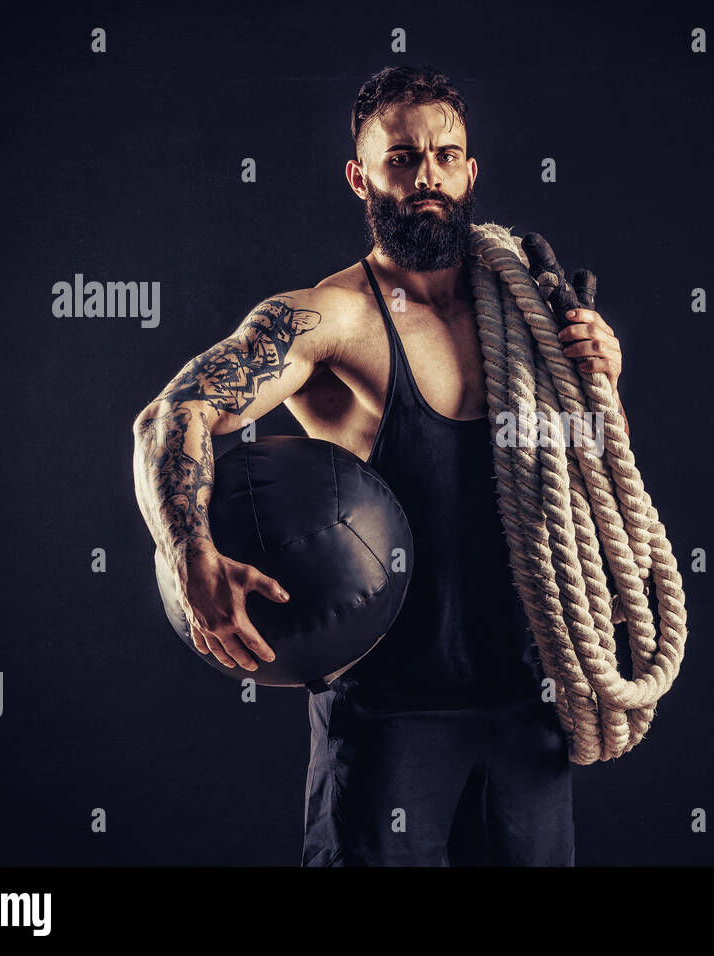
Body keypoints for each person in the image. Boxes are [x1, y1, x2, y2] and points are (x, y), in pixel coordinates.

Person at [131, 65, 630, 866]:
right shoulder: (335, 318)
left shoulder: (532, 308)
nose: (425, 176)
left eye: (444, 156)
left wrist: (600, 379)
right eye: (402, 159)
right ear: (361, 176)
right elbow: (174, 413)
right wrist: (188, 552)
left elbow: (595, 478)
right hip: (390, 716)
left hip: (528, 704)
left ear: (469, 172)